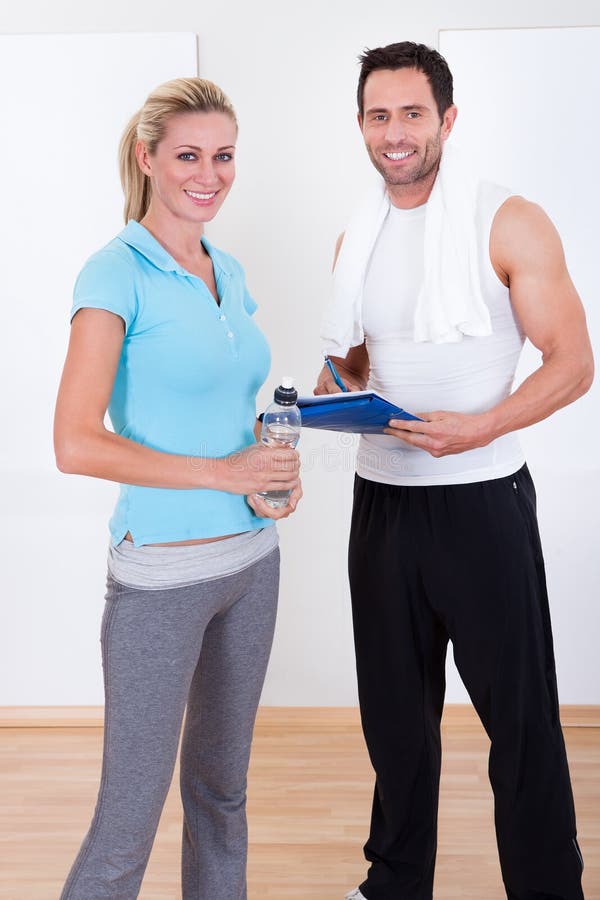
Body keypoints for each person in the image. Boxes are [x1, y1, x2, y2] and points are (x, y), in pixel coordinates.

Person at [314, 42, 593, 900]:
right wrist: (316, 400)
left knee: (521, 722)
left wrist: (482, 428)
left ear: (447, 118)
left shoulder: (508, 220)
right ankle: (393, 884)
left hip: (482, 504)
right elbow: (351, 363)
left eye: (412, 113)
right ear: (361, 125)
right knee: (396, 722)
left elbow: (572, 361)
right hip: (382, 505)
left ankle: (547, 888)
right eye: (378, 115)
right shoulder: (354, 237)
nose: (394, 132)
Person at [54, 76, 301, 900]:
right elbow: (75, 442)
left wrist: (269, 466)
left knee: (222, 797)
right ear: (147, 159)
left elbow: (227, 409)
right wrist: (223, 472)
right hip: (161, 575)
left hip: (252, 562)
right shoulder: (114, 272)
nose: (210, 174)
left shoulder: (225, 267)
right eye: (189, 155)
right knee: (127, 824)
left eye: (224, 156)